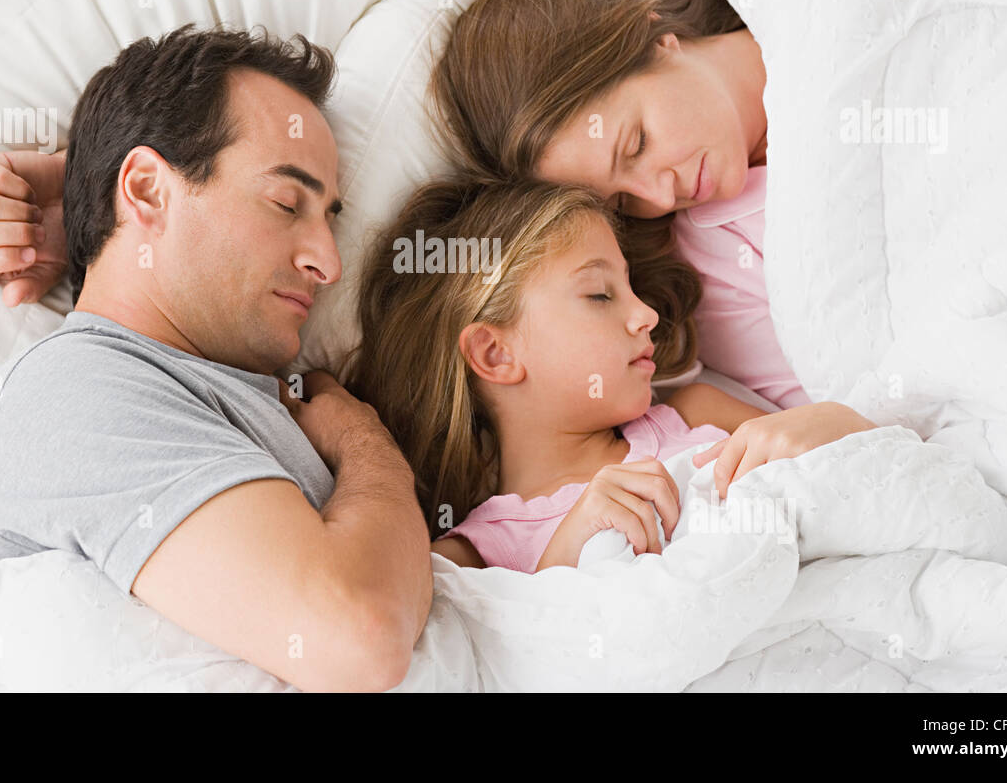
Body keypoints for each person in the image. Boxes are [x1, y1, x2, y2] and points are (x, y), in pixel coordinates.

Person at [0, 24, 432, 692]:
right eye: (286, 202)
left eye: (329, 216)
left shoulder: (261, 391)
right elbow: (361, 635)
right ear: (146, 190)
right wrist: (366, 445)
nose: (329, 261)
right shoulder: (68, 392)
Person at [346, 178, 875, 572]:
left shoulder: (696, 412)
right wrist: (567, 552)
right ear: (496, 354)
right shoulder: (473, 556)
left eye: (630, 286)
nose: (646, 314)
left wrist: (829, 424)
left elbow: (872, 469)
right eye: (600, 294)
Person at [428, 0, 811, 410]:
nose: (661, 197)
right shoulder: (712, 268)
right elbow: (844, 415)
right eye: (623, 202)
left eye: (637, 144)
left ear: (654, 38)